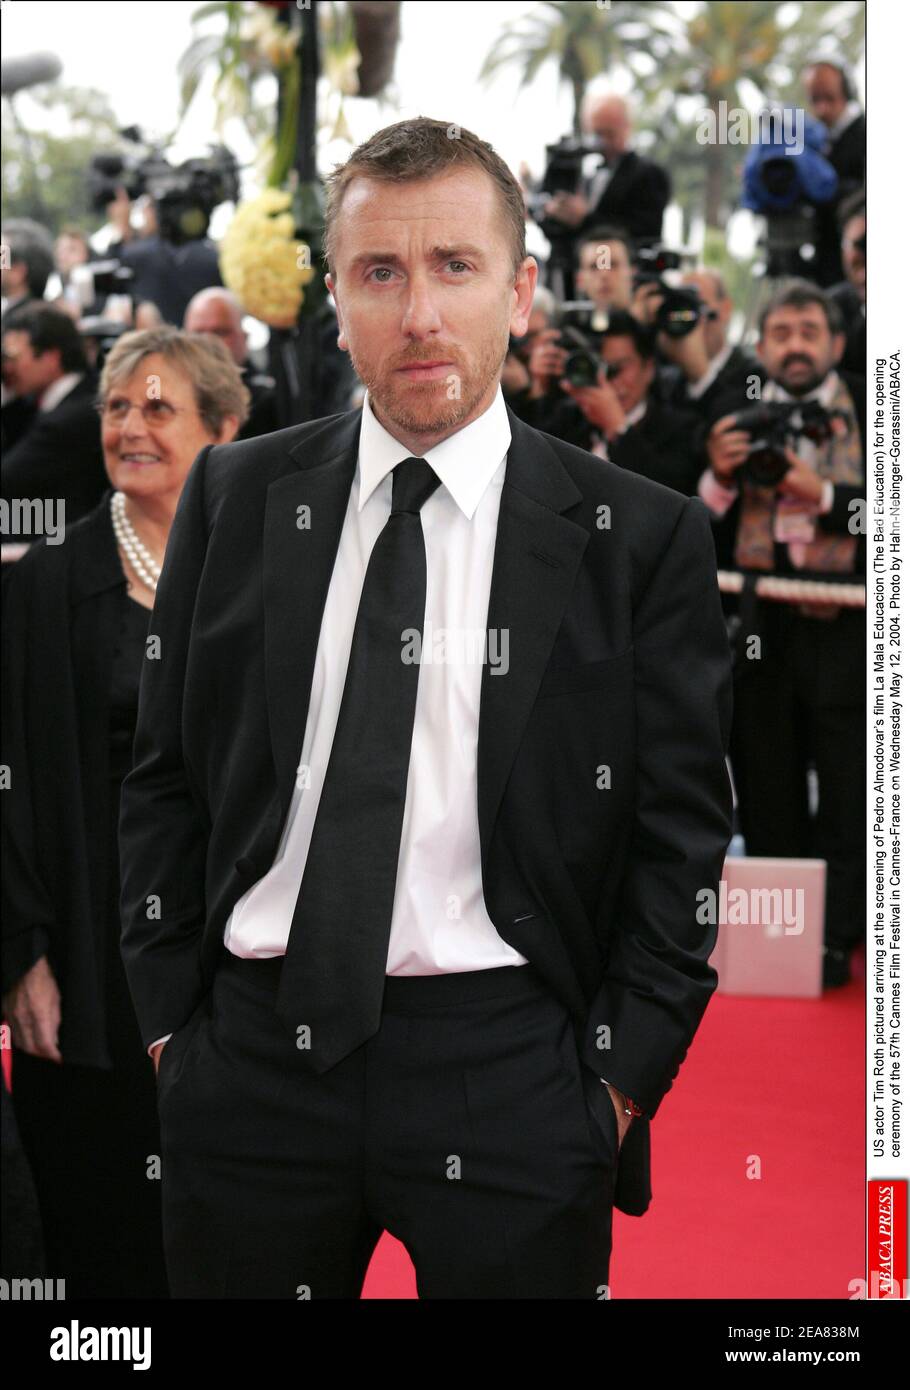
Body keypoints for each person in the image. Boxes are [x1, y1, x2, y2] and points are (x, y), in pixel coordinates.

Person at [118, 116, 733, 1299]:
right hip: (250, 1054)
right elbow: (164, 773)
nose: (419, 315)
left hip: (511, 1068)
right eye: (380, 272)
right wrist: (168, 1030)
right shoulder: (237, 498)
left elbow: (681, 834)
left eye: (455, 266)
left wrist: (607, 1086)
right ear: (333, 297)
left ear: (520, 290)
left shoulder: (636, 536)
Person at [1, 327, 248, 1299]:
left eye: (158, 407)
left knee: (231, 1237)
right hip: (88, 962)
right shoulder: (42, 586)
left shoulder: (273, 575)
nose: (130, 427)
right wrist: (20, 951)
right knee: (98, 1236)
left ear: (225, 429)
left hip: (239, 972)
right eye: (114, 407)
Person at [698, 281, 864, 988]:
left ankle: (838, 941)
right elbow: (694, 527)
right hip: (761, 630)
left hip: (855, 632)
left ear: (836, 343)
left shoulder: (879, 406)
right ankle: (779, 940)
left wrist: (819, 494)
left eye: (808, 330)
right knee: (767, 780)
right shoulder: (734, 414)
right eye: (783, 332)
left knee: (854, 787)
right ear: (762, 347)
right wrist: (719, 477)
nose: (795, 344)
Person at [1, 304, 108, 543]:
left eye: (13, 357)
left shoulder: (70, 420)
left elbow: (7, 481)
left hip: (60, 541)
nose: (7, 367)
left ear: (50, 357)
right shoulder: (59, 402)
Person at [543, 93, 670, 245]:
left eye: (609, 133)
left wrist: (586, 218)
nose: (602, 141)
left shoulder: (649, 174)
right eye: (597, 133)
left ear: (627, 127)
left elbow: (646, 231)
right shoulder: (586, 175)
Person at [184, 287, 278, 440]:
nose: (208, 342)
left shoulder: (270, 400)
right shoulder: (171, 394)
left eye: (220, 332)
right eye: (198, 333)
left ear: (244, 337)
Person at [802, 61, 865, 288]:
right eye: (815, 100)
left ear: (847, 92)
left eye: (829, 98)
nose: (822, 109)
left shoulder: (864, 131)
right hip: (822, 265)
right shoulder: (812, 142)